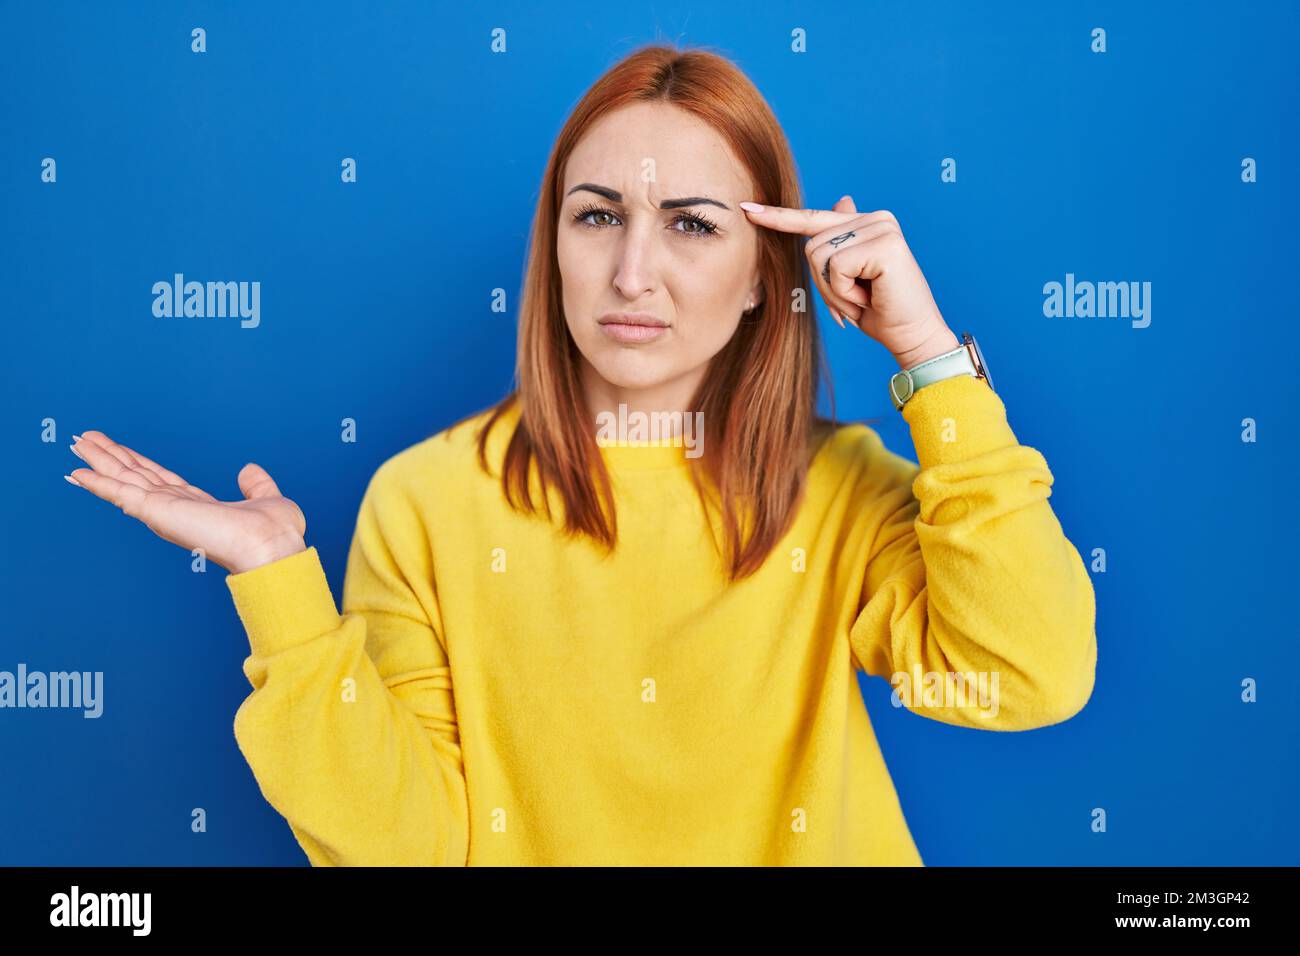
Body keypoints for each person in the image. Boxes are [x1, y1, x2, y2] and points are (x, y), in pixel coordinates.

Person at [63, 42, 1096, 866]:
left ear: (758, 279)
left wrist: (929, 359)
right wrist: (279, 590)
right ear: (552, 243)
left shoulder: (841, 488)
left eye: (691, 225)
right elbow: (407, 850)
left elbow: (1026, 673)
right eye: (598, 215)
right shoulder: (425, 501)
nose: (632, 272)